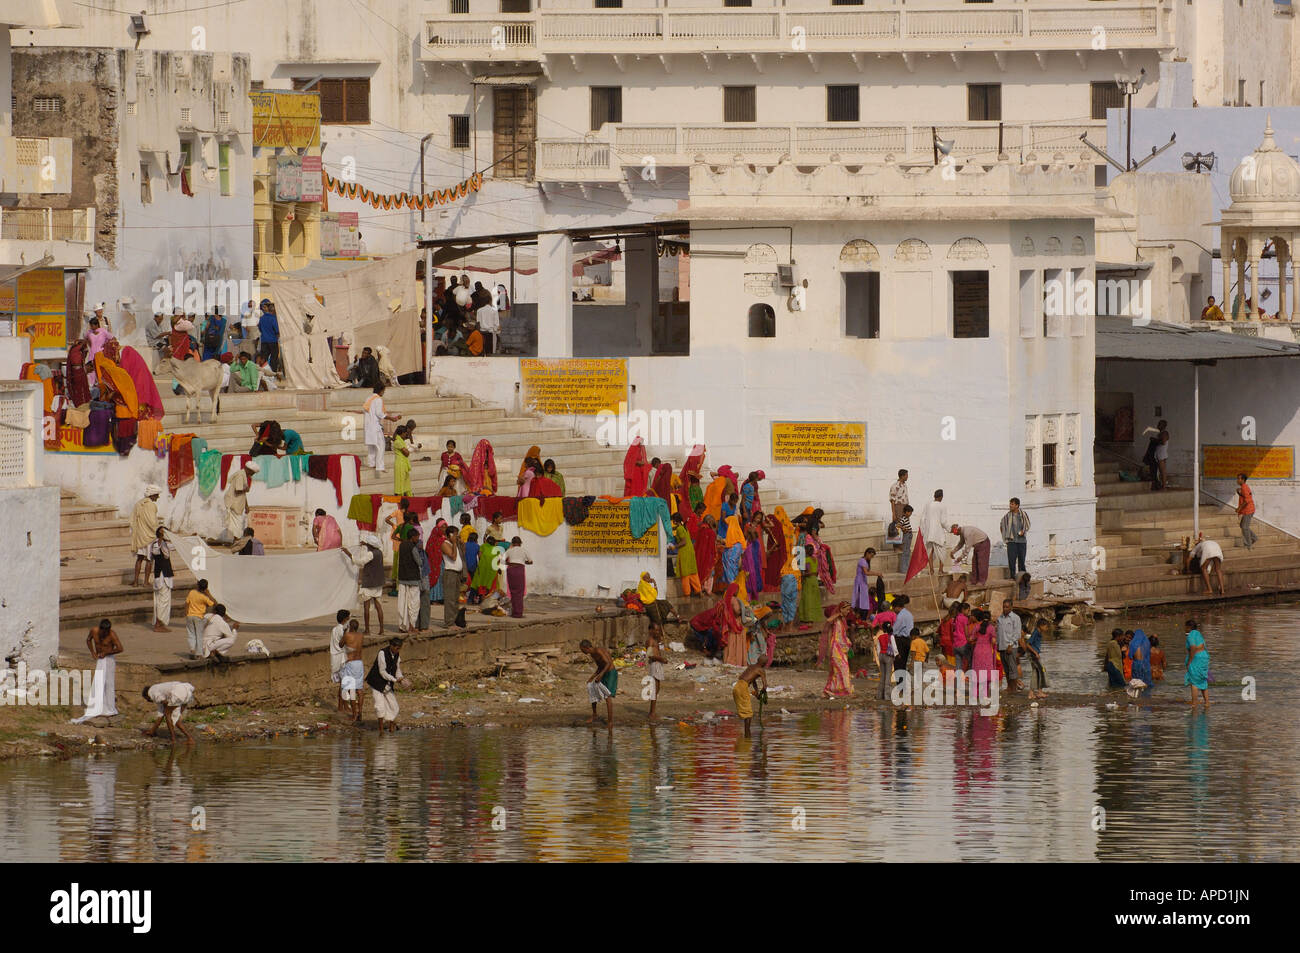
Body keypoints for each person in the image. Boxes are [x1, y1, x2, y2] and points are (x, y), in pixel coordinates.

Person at [73, 620, 123, 723]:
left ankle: (109, 708)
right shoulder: (94, 631)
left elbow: (120, 648)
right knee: (98, 682)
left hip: (109, 660)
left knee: (109, 684)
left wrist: (107, 652)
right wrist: (92, 653)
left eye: (106, 632)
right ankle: (98, 706)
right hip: (100, 659)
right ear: (100, 629)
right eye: (102, 632)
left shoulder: (112, 635)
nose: (104, 634)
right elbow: (88, 640)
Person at [345, 533, 386, 635]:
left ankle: (367, 630)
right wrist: (365, 544)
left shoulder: (370, 554)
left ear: (370, 546)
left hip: (369, 582)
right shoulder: (379, 552)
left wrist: (349, 554)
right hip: (378, 582)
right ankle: (381, 629)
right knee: (378, 606)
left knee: (366, 607)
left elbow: (360, 562)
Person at [367, 637, 410, 731]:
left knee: (394, 706)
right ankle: (381, 730)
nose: (398, 650)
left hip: (387, 683)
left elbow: (397, 669)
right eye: (397, 648)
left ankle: (391, 727)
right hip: (377, 682)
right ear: (391, 646)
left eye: (399, 648)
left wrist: (401, 678)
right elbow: (382, 672)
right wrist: (395, 680)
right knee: (380, 706)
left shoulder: (397, 655)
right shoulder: (382, 653)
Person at [129, 485, 163, 587]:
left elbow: (132, 520)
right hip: (149, 537)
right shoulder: (151, 505)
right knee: (149, 560)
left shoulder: (138, 504)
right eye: (157, 495)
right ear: (153, 495)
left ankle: (135, 582)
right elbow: (152, 523)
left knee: (139, 559)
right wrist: (160, 532)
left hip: (139, 537)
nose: (158, 497)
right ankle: (145, 582)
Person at [580, 639, 617, 729]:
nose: (582, 651)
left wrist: (600, 675)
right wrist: (592, 677)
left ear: (586, 647)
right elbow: (600, 666)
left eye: (582, 649)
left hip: (610, 673)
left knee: (607, 697)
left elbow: (608, 663)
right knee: (591, 688)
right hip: (603, 673)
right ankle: (594, 715)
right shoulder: (592, 654)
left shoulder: (598, 651)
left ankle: (610, 722)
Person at [820, 601, 853, 699]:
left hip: (842, 649)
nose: (848, 612)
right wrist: (837, 614)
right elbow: (828, 621)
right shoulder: (835, 619)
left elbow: (843, 634)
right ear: (841, 609)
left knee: (843, 670)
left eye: (849, 610)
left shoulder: (843, 620)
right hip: (835, 648)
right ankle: (830, 691)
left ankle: (839, 690)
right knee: (839, 669)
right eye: (846, 610)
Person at [363, 384, 400, 472]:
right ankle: (380, 466)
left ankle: (371, 463)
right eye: (383, 391)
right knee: (381, 445)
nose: (384, 392)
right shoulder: (378, 399)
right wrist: (392, 418)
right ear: (380, 391)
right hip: (375, 426)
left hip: (367, 426)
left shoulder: (368, 398)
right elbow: (380, 414)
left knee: (371, 446)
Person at [396, 526, 423, 634]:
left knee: (402, 603)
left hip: (402, 577)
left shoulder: (402, 545)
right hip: (413, 578)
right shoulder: (413, 547)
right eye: (417, 537)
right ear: (413, 537)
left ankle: (402, 625)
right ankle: (411, 626)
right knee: (414, 604)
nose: (418, 539)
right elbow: (419, 562)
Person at [223, 459, 258, 542]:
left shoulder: (243, 475)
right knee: (237, 522)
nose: (252, 475)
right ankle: (237, 540)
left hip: (238, 503)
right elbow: (238, 490)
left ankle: (236, 540)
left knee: (235, 523)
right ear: (249, 470)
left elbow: (243, 494)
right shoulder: (240, 475)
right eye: (252, 473)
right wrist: (246, 489)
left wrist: (246, 506)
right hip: (234, 502)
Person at [733, 657, 768, 737]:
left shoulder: (751, 666)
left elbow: (753, 681)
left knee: (745, 711)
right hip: (742, 687)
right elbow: (765, 686)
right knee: (748, 714)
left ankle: (746, 734)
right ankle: (747, 735)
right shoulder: (761, 670)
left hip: (737, 686)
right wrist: (762, 694)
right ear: (764, 664)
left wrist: (756, 691)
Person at [339, 620, 365, 724]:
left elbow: (340, 645)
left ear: (350, 626)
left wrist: (345, 632)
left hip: (350, 664)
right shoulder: (361, 636)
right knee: (360, 690)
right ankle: (360, 712)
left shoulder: (347, 635)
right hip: (359, 663)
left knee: (351, 690)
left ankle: (354, 715)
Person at [148, 528, 174, 633]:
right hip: (163, 576)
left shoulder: (159, 544)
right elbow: (160, 553)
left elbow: (176, 546)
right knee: (162, 601)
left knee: (162, 601)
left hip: (162, 575)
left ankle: (160, 623)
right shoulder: (159, 544)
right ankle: (159, 623)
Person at [995, 599, 1023, 693]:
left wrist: (1010, 645)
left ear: (1011, 607)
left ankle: (1013, 688)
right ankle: (1009, 687)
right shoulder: (1000, 618)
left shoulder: (1015, 618)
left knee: (1012, 669)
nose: (1005, 608)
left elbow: (1017, 633)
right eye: (1004, 606)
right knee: (1006, 669)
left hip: (1011, 647)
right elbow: (998, 633)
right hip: (1002, 646)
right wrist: (998, 645)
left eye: (1007, 607)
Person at [919, 489, 950, 573]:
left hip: (928, 534)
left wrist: (923, 531)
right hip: (938, 533)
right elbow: (943, 521)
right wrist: (950, 529)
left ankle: (931, 570)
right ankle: (940, 570)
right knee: (942, 551)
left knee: (930, 551)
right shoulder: (942, 506)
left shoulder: (927, 505)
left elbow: (922, 519)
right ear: (941, 497)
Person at [441, 529, 466, 628]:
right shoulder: (445, 544)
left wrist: (461, 544)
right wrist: (454, 543)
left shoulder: (455, 544)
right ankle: (449, 622)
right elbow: (453, 556)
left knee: (456, 599)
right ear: (449, 535)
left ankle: (454, 620)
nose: (456, 537)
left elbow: (462, 554)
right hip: (450, 573)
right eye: (455, 535)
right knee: (450, 599)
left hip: (457, 574)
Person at [184, 580, 215, 658]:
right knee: (199, 635)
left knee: (191, 633)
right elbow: (213, 603)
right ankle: (199, 653)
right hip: (199, 617)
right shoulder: (204, 597)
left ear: (198, 585)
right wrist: (208, 594)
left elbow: (187, 603)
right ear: (205, 588)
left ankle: (192, 648)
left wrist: (186, 614)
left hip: (190, 616)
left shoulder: (192, 592)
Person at [504, 536, 533, 618]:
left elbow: (501, 560)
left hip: (511, 570)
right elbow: (531, 561)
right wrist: (524, 562)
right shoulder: (524, 550)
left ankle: (514, 612)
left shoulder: (509, 550)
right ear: (520, 543)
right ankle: (518, 613)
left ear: (512, 543)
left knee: (513, 591)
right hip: (520, 570)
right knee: (520, 592)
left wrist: (509, 563)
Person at [1001, 498, 1030, 576]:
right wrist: (1006, 537)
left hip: (1022, 541)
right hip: (1011, 541)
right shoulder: (1007, 516)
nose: (1010, 506)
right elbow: (1002, 525)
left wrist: (1023, 531)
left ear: (1017, 505)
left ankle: (1022, 577)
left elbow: (1027, 524)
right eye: (1010, 504)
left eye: (1012, 504)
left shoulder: (1023, 514)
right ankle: (1013, 576)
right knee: (1011, 561)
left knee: (1021, 561)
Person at [1021, 617, 1049, 700]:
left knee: (1036, 673)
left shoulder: (1038, 633)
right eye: (1046, 627)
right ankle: (1038, 692)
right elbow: (1028, 644)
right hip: (1033, 656)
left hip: (1034, 655)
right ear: (1041, 626)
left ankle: (1033, 693)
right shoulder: (1036, 633)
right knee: (1041, 671)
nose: (1047, 629)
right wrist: (1036, 653)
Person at [1184, 620, 1210, 705]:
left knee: (1194, 682)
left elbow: (1193, 648)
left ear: (1189, 627)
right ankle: (1207, 702)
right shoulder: (1198, 634)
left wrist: (1189, 662)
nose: (1185, 629)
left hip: (1197, 658)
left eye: (1185, 627)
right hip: (1204, 657)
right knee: (1202, 680)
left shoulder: (1191, 635)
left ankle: (1194, 703)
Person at [796, 543, 822, 627]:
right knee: (814, 599)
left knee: (807, 600)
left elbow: (808, 572)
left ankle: (808, 620)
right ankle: (811, 619)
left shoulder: (806, 560)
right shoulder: (815, 559)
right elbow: (816, 572)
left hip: (808, 581)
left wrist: (801, 575)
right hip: (815, 580)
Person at [646, 624, 667, 721]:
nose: (658, 632)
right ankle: (652, 713)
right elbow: (650, 655)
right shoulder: (650, 641)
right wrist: (661, 659)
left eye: (658, 630)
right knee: (655, 688)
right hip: (654, 665)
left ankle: (652, 711)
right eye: (656, 630)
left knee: (657, 688)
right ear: (650, 630)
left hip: (657, 664)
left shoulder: (655, 641)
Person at [1140, 419, 1168, 490]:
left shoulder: (1164, 433)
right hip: (1158, 454)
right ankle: (1161, 485)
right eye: (1158, 424)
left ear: (1163, 426)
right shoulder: (1160, 433)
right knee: (1159, 471)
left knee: (1162, 471)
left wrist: (1154, 440)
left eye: (1159, 424)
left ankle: (1164, 486)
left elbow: (1163, 442)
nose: (1158, 425)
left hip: (1161, 454)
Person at [1236, 473, 1258, 550]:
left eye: (1239, 479)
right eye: (1237, 478)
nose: (1237, 480)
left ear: (1243, 480)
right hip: (1247, 510)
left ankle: (1248, 545)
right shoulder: (1243, 487)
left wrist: (1239, 508)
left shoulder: (1244, 487)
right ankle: (1254, 538)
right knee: (1243, 526)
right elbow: (1245, 497)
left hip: (1248, 510)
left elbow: (1246, 501)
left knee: (1244, 527)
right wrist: (1239, 493)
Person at [258, 304, 280, 372]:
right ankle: (273, 373)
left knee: (264, 358)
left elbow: (260, 329)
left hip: (264, 340)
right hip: (273, 340)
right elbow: (277, 330)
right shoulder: (273, 318)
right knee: (274, 358)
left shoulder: (261, 318)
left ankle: (263, 373)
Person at [393, 424, 413, 496]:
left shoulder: (401, 441)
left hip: (404, 464)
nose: (406, 435)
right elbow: (406, 453)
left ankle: (409, 497)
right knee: (400, 483)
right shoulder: (397, 442)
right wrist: (409, 449)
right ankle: (399, 498)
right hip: (400, 464)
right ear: (402, 433)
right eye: (405, 433)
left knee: (406, 483)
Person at [896, 504, 914, 574]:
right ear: (906, 512)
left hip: (909, 535)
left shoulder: (906, 519)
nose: (910, 514)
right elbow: (898, 525)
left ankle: (906, 567)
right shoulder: (903, 518)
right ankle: (904, 569)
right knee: (905, 552)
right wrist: (904, 529)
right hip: (906, 535)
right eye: (910, 512)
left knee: (907, 552)